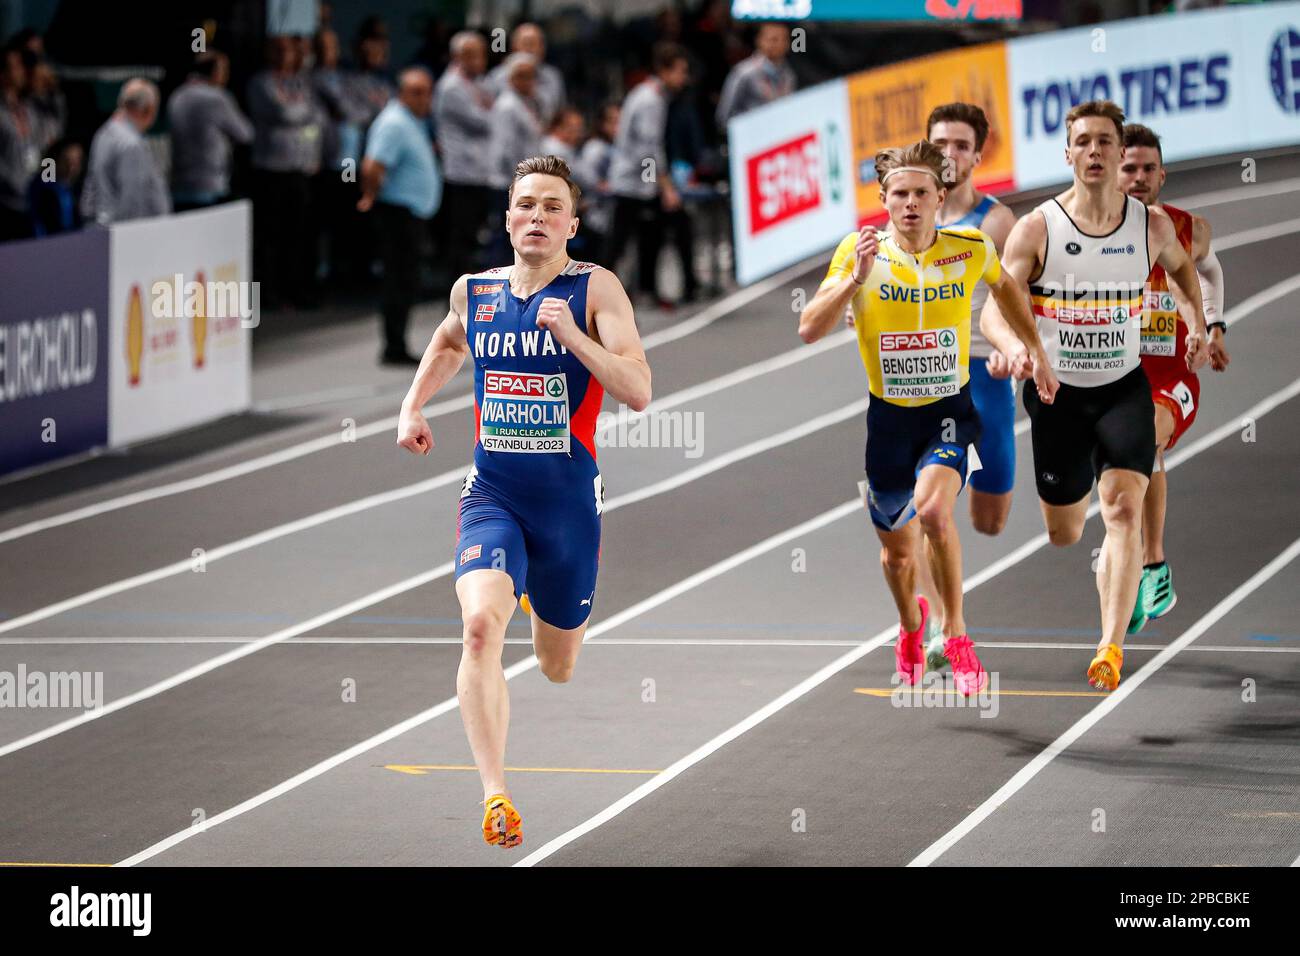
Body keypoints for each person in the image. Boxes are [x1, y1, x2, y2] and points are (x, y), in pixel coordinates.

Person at [395, 155, 651, 848]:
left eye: (551, 207)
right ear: (507, 218)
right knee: (480, 628)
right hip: (493, 495)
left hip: (568, 507)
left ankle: (541, 593)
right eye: (525, 205)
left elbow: (637, 388)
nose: (537, 217)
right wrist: (412, 405)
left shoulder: (596, 289)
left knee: (556, 666)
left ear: (573, 221)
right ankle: (495, 794)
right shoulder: (474, 291)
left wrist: (571, 335)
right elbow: (451, 342)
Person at [798, 140, 1056, 696]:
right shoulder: (857, 250)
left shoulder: (970, 247)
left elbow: (1008, 292)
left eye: (921, 193)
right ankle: (913, 625)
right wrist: (854, 280)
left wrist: (1035, 351)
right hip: (888, 423)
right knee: (896, 553)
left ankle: (955, 634)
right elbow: (809, 328)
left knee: (936, 510)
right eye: (899, 194)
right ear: (884, 200)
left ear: (941, 196)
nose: (910, 203)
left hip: (949, 414)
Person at [981, 100, 1208, 691]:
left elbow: (1186, 273)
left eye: (1105, 141)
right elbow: (993, 309)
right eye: (1083, 142)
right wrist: (1021, 350)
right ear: (1068, 154)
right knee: (1065, 532)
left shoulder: (1151, 227)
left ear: (1117, 150)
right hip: (1058, 397)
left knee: (1123, 508)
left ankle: (1109, 645)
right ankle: (1105, 558)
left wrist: (1201, 324)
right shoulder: (1038, 228)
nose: (1095, 152)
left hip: (1123, 388)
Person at [917, 102, 1019, 669]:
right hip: (929, 380)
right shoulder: (909, 213)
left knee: (990, 520)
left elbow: (1010, 303)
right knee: (931, 507)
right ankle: (943, 624)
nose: (950, 155)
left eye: (961, 145)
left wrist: (1011, 349)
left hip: (985, 378)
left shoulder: (995, 222)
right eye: (941, 144)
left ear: (979, 156)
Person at [1118, 123, 1228, 629]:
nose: (1138, 178)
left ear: (1161, 175)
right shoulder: (1094, 236)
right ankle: (1136, 568)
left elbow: (1211, 270)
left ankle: (1154, 566)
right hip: (1114, 378)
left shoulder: (1189, 229)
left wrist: (1213, 325)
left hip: (1171, 377)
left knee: (1147, 438)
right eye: (1129, 168)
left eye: (1147, 170)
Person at [358, 67, 442, 365]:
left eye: (427, 93)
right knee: (399, 279)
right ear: (401, 93)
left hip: (410, 213)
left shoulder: (413, 122)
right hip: (397, 213)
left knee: (407, 279)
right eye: (416, 93)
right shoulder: (394, 123)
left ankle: (398, 343)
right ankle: (394, 346)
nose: (423, 99)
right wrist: (370, 196)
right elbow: (372, 166)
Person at [607, 42, 689, 308]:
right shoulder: (651, 100)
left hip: (641, 181)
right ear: (664, 71)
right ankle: (590, 294)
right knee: (618, 241)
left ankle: (646, 290)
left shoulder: (652, 95)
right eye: (679, 71)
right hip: (632, 182)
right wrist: (665, 186)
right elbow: (649, 149)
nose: (683, 78)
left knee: (649, 235)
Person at [247, 36, 323, 309]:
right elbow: (283, 112)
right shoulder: (260, 82)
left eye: (288, 50)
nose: (284, 55)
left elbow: (316, 117)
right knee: (271, 237)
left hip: (300, 170)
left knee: (299, 235)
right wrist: (299, 114)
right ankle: (270, 294)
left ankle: (298, 290)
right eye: (277, 50)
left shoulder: (302, 81)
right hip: (270, 171)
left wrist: (300, 117)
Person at [434, 30, 495, 283]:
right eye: (470, 55)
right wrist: (492, 110)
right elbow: (487, 121)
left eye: (480, 54)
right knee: (461, 237)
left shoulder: (476, 83)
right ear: (456, 56)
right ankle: (456, 290)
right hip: (460, 174)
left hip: (477, 172)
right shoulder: (451, 87)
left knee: (472, 236)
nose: (477, 61)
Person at [168, 51, 253, 211]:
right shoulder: (217, 97)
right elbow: (245, 133)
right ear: (215, 72)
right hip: (209, 186)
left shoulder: (177, 95)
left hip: (179, 186)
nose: (226, 76)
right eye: (224, 70)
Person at [81, 78, 170, 225]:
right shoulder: (131, 144)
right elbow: (131, 203)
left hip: (103, 228)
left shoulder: (103, 133)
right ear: (148, 109)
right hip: (125, 234)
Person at [715, 21, 796, 130]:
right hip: (751, 137)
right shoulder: (744, 73)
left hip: (780, 136)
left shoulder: (788, 74)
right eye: (773, 39)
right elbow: (724, 114)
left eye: (784, 39)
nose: (779, 44)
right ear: (759, 41)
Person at [484, 22, 566, 128]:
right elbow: (487, 113)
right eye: (526, 43)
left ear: (543, 48)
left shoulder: (552, 77)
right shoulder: (497, 77)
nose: (530, 49)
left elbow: (560, 114)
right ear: (514, 47)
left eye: (534, 44)